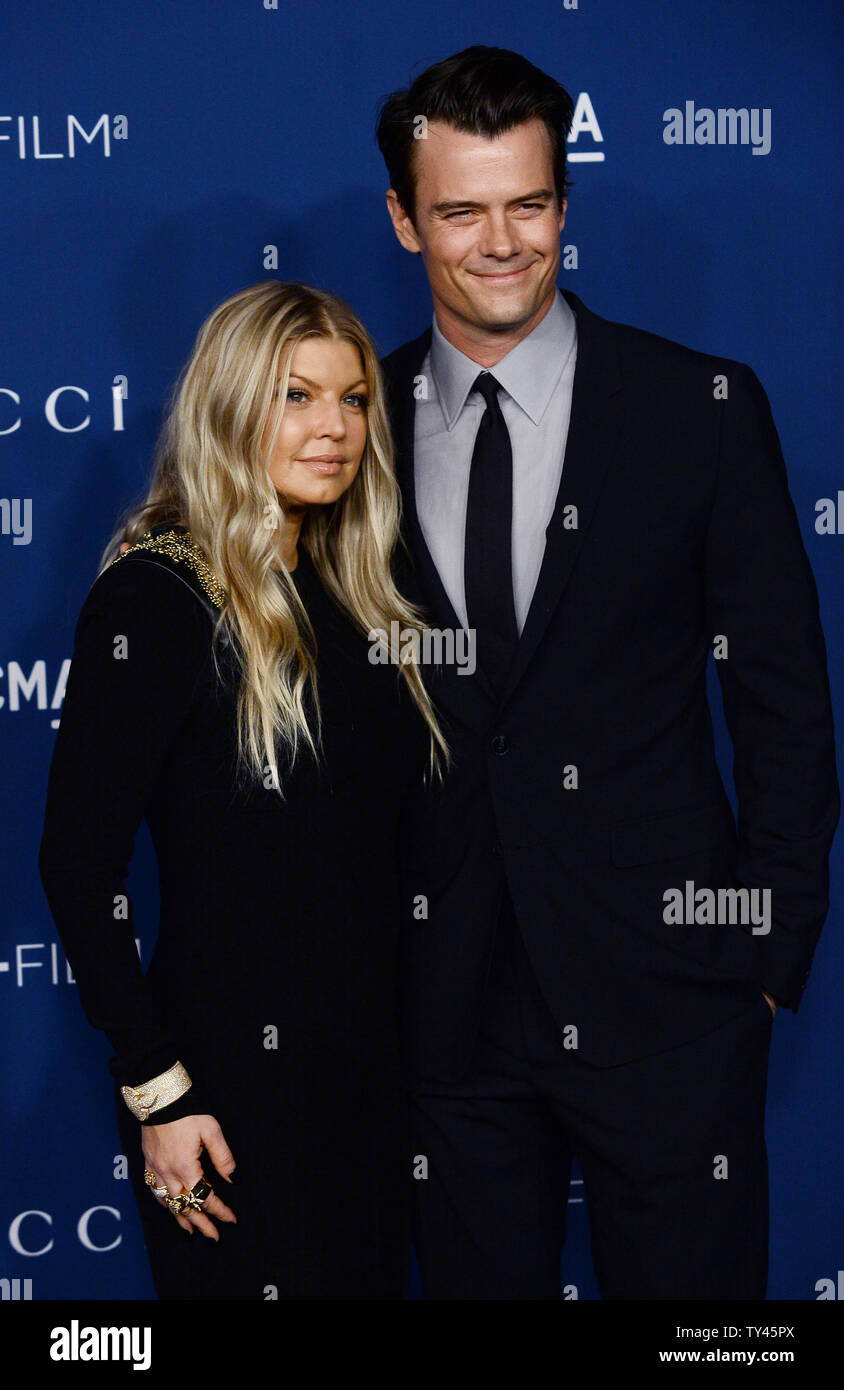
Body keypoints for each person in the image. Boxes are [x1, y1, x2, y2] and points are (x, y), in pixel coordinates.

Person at [375, 46, 840, 1299]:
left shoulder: (700, 407)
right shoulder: (345, 426)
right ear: (403, 218)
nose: (500, 242)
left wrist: (764, 952)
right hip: (442, 1002)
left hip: (673, 992)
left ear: (565, 206)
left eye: (528, 203)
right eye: (462, 210)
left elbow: (784, 701)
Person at [38, 280, 446, 1300]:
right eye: (297, 397)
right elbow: (78, 866)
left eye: (354, 400)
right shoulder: (157, 596)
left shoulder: (366, 590)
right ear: (229, 409)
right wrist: (160, 1092)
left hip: (374, 1073)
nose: (335, 428)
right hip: (226, 1084)